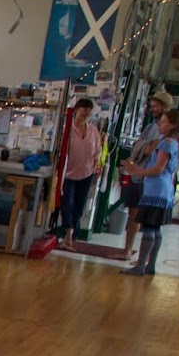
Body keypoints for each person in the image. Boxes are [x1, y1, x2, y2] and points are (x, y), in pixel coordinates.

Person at [119, 110, 179, 275]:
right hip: (165, 190)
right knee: (155, 228)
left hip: (155, 190)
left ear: (173, 125)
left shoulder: (166, 143)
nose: (160, 125)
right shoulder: (174, 142)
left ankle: (140, 266)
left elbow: (158, 168)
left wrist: (136, 170)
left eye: (164, 122)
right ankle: (150, 265)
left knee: (148, 228)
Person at [122, 89, 172, 259]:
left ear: (166, 107)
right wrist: (144, 147)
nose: (153, 109)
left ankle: (146, 262)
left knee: (151, 223)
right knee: (133, 214)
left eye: (156, 106)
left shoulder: (170, 137)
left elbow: (155, 155)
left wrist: (145, 149)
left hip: (154, 181)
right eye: (152, 106)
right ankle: (128, 251)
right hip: (140, 177)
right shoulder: (151, 127)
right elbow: (140, 146)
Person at [58, 98, 101, 247]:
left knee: (79, 205)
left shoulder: (93, 131)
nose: (86, 114)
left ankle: (72, 235)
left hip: (86, 173)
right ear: (76, 110)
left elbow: (97, 152)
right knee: (67, 203)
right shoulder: (66, 129)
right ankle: (68, 231)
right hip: (68, 173)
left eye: (88, 111)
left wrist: (96, 167)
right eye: (83, 110)